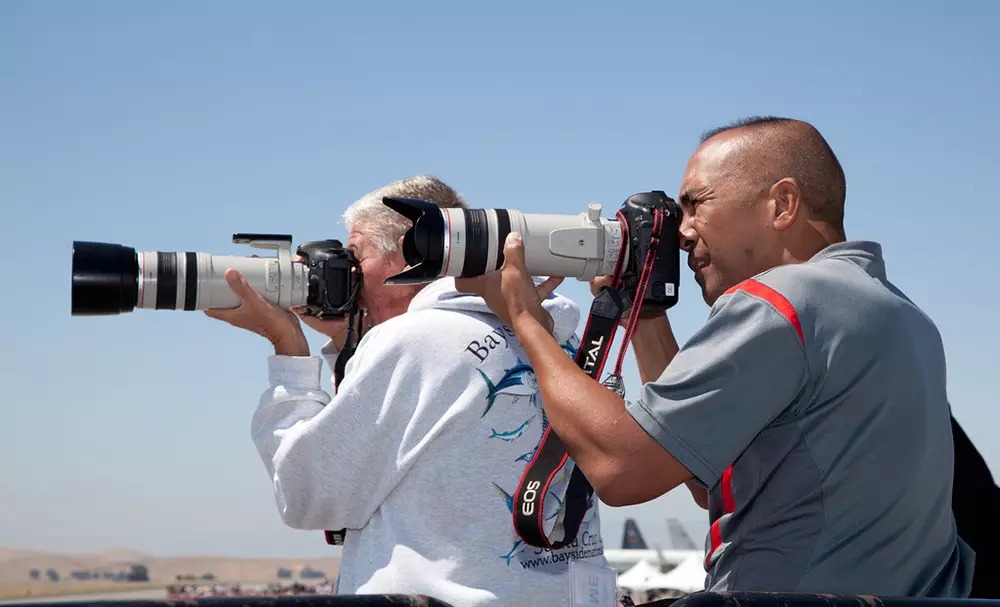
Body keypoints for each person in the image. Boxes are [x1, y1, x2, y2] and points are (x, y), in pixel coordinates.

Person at [459, 117, 976, 596]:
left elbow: (621, 469)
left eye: (697, 203)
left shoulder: (780, 302)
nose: (682, 232)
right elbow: (705, 476)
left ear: (782, 204)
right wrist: (647, 311)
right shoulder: (900, 315)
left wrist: (525, 321)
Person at [205, 175, 607, 607]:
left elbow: (307, 493)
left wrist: (289, 353)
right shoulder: (555, 334)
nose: (347, 276)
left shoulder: (416, 341)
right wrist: (350, 344)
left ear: (407, 251)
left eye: (355, 255)